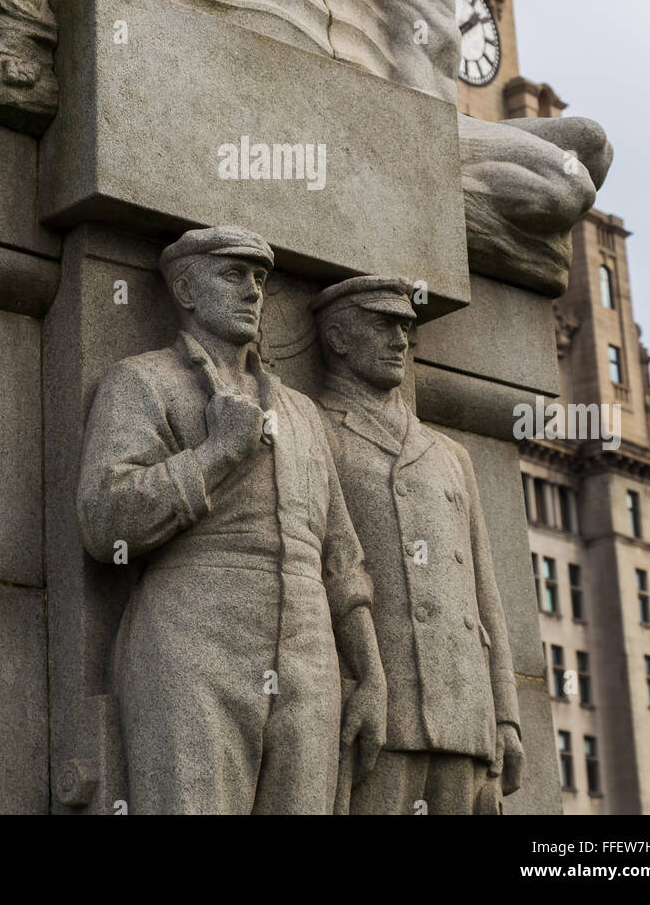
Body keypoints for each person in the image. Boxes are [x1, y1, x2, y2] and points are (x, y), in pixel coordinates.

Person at [76, 225, 387, 814]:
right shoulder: (143, 381)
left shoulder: (301, 412)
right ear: (187, 292)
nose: (253, 292)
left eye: (261, 279)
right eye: (233, 275)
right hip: (192, 639)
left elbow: (341, 559)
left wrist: (370, 674)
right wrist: (218, 453)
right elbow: (103, 519)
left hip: (309, 651)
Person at [313, 274, 525, 815]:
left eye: (406, 328)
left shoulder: (451, 453)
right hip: (380, 706)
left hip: (465, 710)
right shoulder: (313, 428)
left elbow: (486, 595)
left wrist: (505, 716)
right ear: (338, 337)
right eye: (384, 325)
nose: (400, 341)